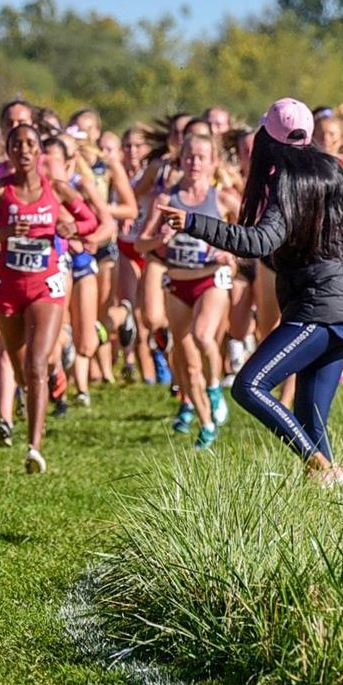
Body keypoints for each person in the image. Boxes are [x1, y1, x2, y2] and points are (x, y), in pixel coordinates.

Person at [155, 98, 343, 488]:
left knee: (249, 385)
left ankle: (323, 467)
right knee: (311, 421)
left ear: (268, 138)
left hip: (319, 308)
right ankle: (334, 495)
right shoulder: (330, 170)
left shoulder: (285, 179)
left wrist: (192, 223)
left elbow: (256, 241)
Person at [0, 124, 91, 473]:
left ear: (40, 152)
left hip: (46, 285)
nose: (24, 150)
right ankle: (35, 406)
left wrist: (73, 229)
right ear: (9, 151)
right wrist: (3, 232)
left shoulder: (58, 190)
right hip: (7, 287)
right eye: (17, 145)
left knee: (36, 364)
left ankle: (34, 447)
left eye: (31, 144)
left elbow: (93, 220)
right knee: (20, 371)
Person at [138, 131, 238, 449]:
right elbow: (141, 243)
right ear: (181, 160)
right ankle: (206, 425)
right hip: (177, 282)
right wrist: (160, 240)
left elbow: (251, 238)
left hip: (210, 279)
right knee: (184, 357)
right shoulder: (167, 200)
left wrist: (229, 252)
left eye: (201, 157)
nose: (194, 163)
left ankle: (214, 387)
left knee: (203, 336)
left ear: (214, 162)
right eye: (189, 156)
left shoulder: (223, 199)